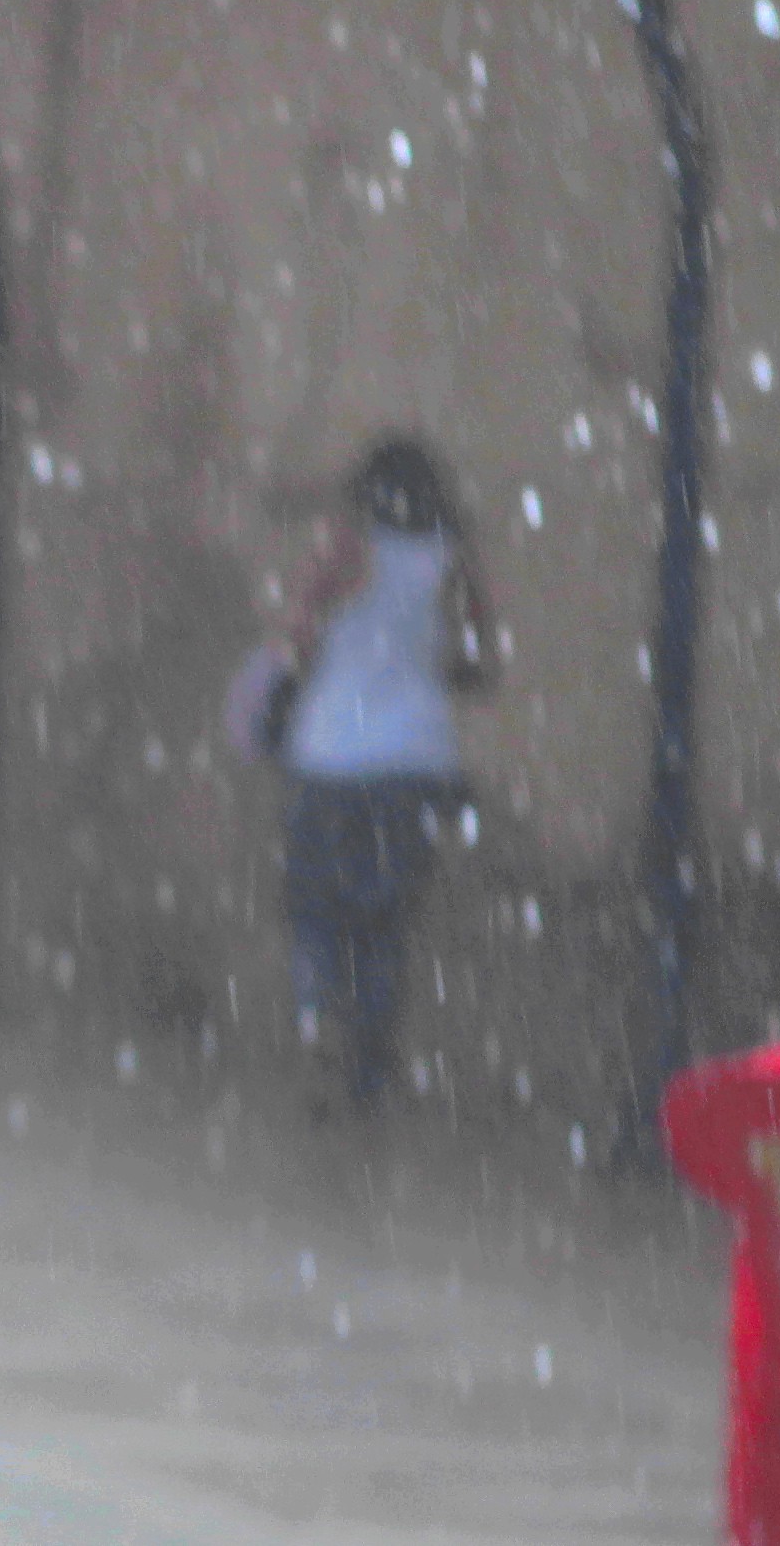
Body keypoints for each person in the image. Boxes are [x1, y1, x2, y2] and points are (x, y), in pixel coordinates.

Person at [267, 435, 495, 1115]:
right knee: (383, 922)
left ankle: (318, 1026)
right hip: (416, 762)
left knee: (312, 914)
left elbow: (297, 639)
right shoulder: (451, 560)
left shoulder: (341, 548)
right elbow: (479, 666)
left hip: (329, 756)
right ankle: (369, 1066)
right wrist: (422, 665)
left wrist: (294, 682)